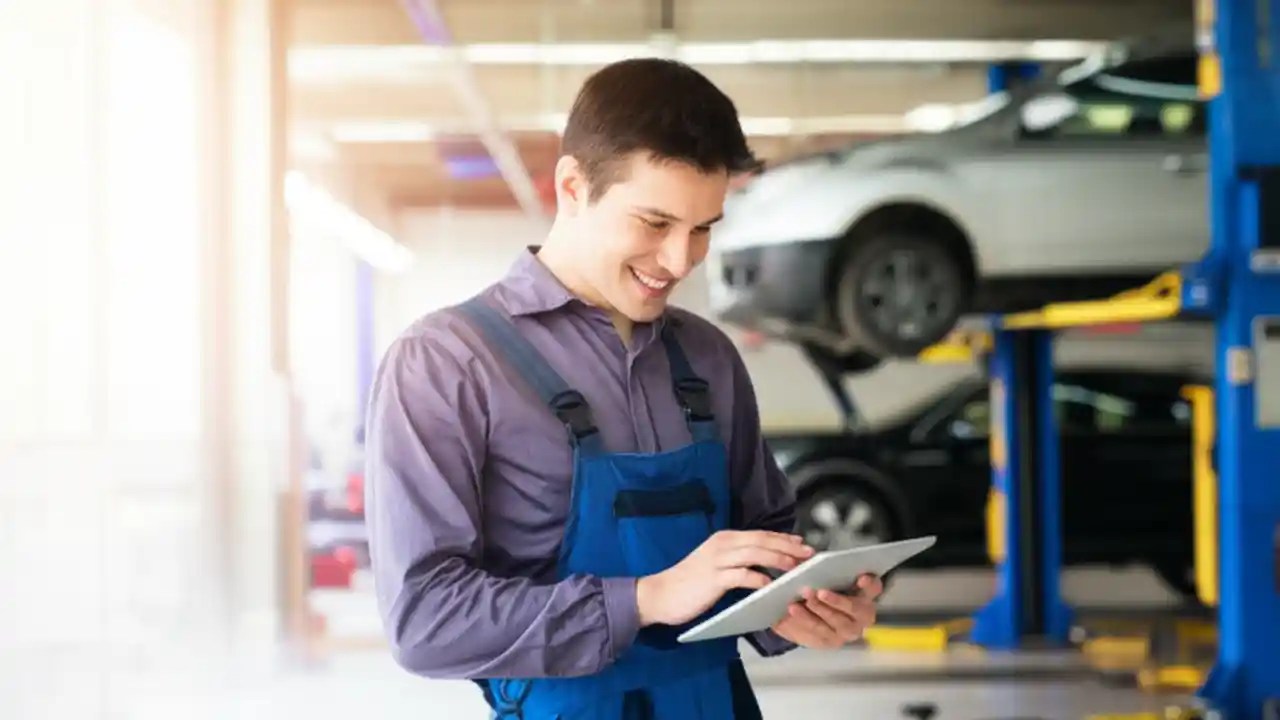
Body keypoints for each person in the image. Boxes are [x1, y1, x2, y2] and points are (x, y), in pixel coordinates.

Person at [364, 57, 884, 720]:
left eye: (703, 229)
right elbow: (425, 621)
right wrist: (644, 599)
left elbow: (759, 553)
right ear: (572, 187)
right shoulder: (446, 364)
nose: (678, 261)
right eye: (654, 223)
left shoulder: (708, 358)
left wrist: (800, 611)